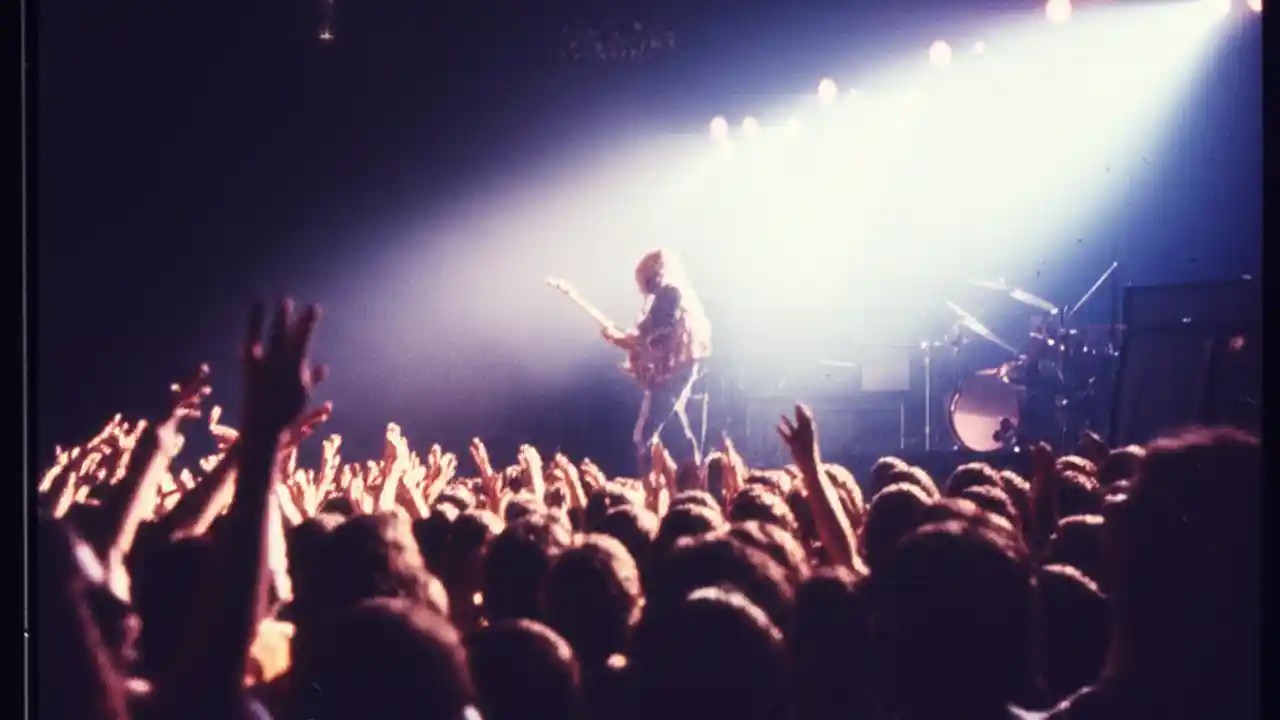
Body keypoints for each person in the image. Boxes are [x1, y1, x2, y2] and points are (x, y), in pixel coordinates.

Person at [600, 249, 712, 474]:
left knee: (646, 433)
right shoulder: (673, 294)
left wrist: (617, 338)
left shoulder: (669, 293)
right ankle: (693, 474)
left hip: (674, 371)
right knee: (673, 425)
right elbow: (650, 338)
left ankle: (652, 479)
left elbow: (649, 334)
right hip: (676, 369)